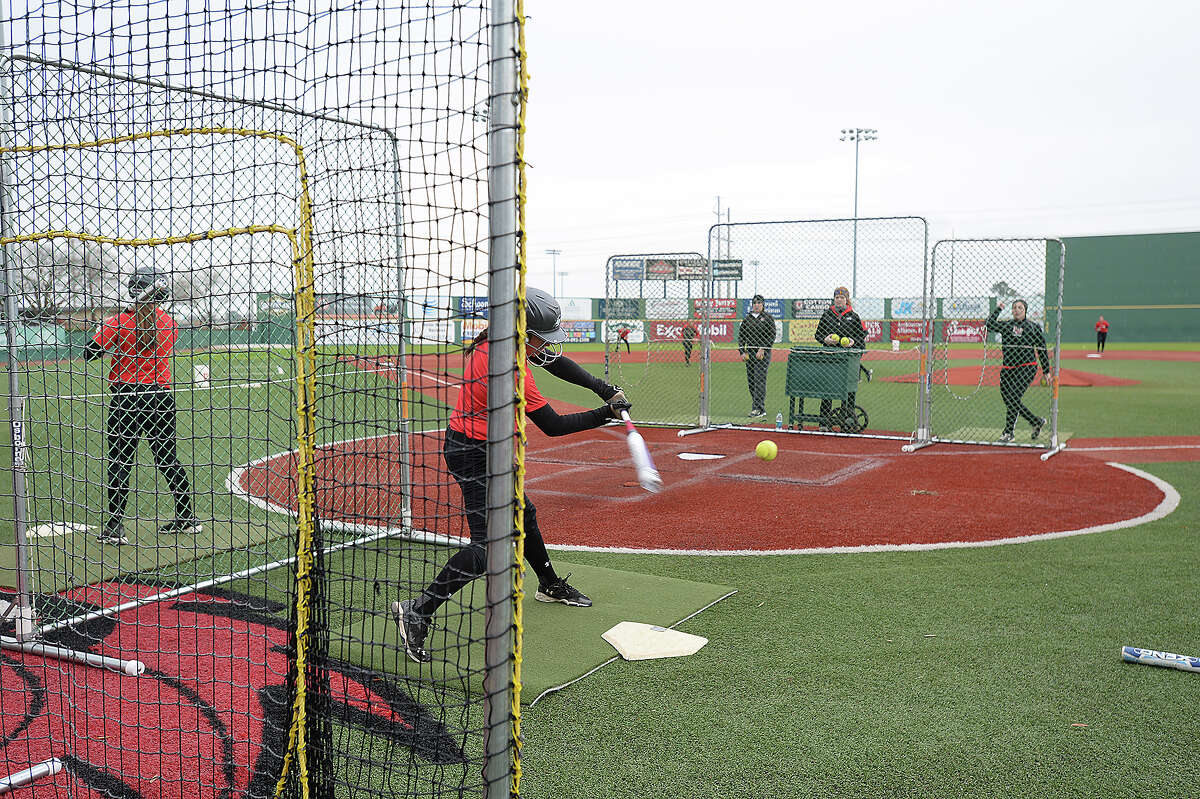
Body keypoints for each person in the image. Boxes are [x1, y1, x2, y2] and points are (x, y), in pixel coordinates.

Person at [392, 287, 631, 663]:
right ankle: (418, 611)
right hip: (473, 455)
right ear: (524, 332)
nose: (546, 347)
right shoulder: (508, 365)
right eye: (541, 339)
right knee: (487, 549)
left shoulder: (503, 341)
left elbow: (555, 362)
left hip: (489, 449)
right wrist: (606, 413)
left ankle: (549, 584)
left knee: (526, 513)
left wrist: (603, 389)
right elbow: (551, 425)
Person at [83, 268, 201, 545]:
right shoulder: (169, 322)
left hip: (127, 399)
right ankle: (186, 516)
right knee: (167, 458)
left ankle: (115, 527)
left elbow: (88, 354)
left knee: (120, 462)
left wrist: (103, 330)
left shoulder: (118, 322)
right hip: (160, 398)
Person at [985, 299, 1051, 442]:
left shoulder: (1033, 327)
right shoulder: (1007, 325)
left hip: (1027, 367)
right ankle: (1035, 421)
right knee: (1009, 400)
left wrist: (1046, 370)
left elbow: (1042, 349)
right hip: (1008, 369)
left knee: (1013, 397)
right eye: (1014, 307)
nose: (1017, 310)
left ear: (1025, 310)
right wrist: (998, 309)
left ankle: (1008, 433)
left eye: (1020, 307)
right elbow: (989, 324)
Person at [813, 286, 866, 430]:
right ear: (834, 299)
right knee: (827, 389)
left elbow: (862, 337)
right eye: (837, 297)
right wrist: (825, 340)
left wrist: (853, 341)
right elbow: (817, 335)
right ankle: (824, 421)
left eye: (842, 298)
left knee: (848, 390)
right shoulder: (827, 315)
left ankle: (847, 419)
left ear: (846, 300)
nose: (839, 300)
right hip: (830, 358)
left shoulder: (853, 316)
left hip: (848, 359)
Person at [737, 294, 775, 418]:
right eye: (754, 303)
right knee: (752, 381)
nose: (756, 305)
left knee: (759, 380)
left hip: (762, 354)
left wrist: (763, 348)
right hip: (750, 353)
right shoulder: (747, 319)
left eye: (759, 303)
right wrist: (742, 351)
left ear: (763, 305)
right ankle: (756, 406)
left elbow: (771, 335)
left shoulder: (768, 318)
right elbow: (741, 336)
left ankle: (758, 408)